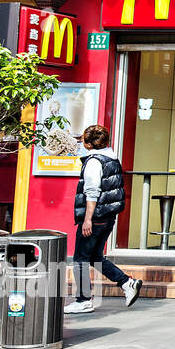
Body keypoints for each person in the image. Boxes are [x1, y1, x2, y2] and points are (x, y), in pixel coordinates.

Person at [67, 125, 141, 314]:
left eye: (84, 140)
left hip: (95, 217)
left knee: (81, 259)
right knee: (95, 257)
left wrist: (87, 219)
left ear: (89, 144)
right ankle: (127, 283)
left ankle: (83, 300)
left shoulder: (94, 162)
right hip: (108, 216)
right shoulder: (111, 158)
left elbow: (92, 192)